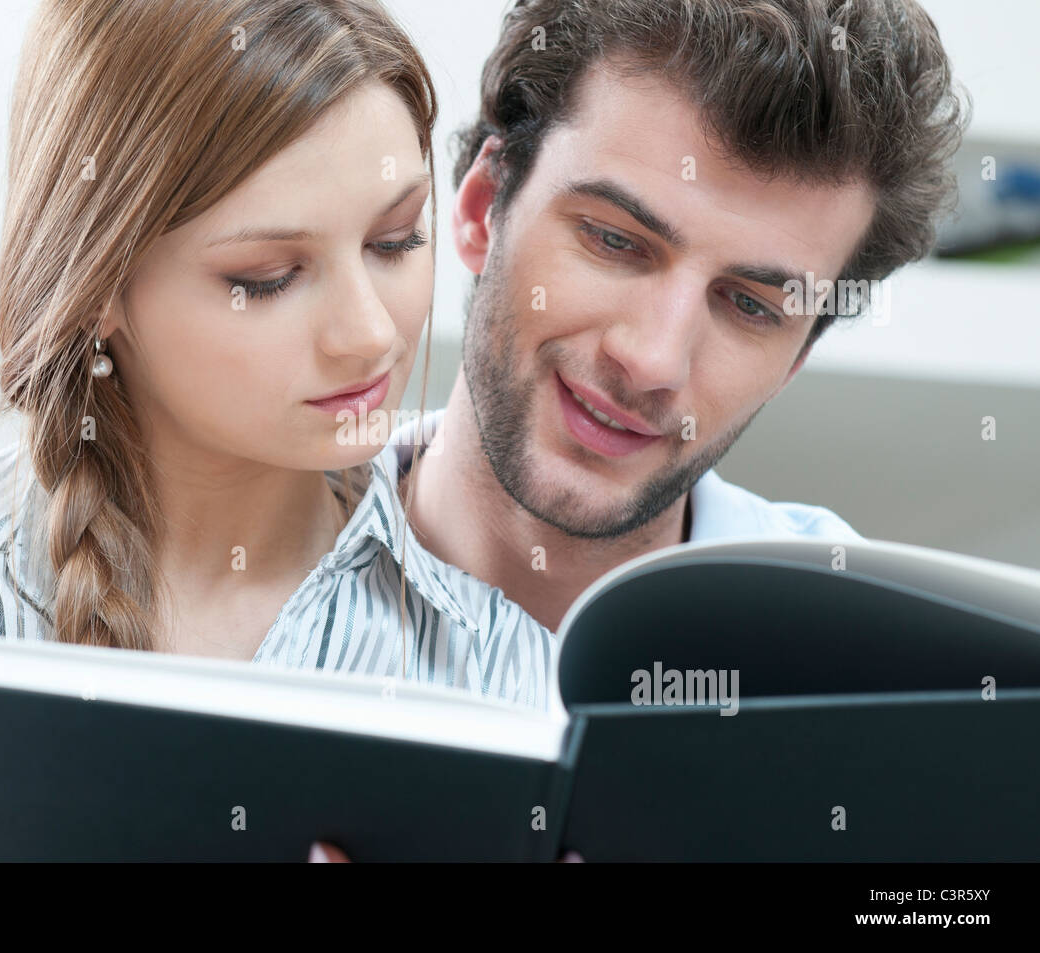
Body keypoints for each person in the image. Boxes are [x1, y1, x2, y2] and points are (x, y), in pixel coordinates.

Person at [0, 0, 557, 863]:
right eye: (269, 277)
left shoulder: (513, 686)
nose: (370, 333)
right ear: (97, 282)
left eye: (396, 241)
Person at [311, 0, 966, 861]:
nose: (653, 359)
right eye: (615, 241)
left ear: (796, 357)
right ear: (479, 209)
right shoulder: (208, 596)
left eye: (749, 305)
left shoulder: (892, 682)